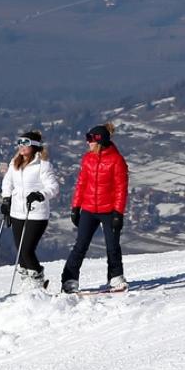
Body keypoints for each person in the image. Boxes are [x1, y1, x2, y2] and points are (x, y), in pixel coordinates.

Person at [60, 123, 128, 294]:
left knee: (112, 246)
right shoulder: (87, 158)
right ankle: (69, 280)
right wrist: (75, 207)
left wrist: (118, 213)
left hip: (109, 210)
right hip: (89, 209)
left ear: (100, 141)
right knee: (80, 245)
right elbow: (81, 184)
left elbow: (121, 188)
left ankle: (116, 278)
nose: (87, 142)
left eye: (90, 139)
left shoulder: (116, 160)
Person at [0, 129, 59, 289]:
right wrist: (6, 199)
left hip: (36, 213)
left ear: (34, 146)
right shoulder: (15, 163)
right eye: (19, 142)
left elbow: (53, 187)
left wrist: (40, 194)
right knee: (20, 250)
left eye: (25, 143)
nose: (21, 146)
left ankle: (38, 279)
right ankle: (27, 281)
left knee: (27, 250)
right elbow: (7, 182)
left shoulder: (42, 165)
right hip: (17, 212)